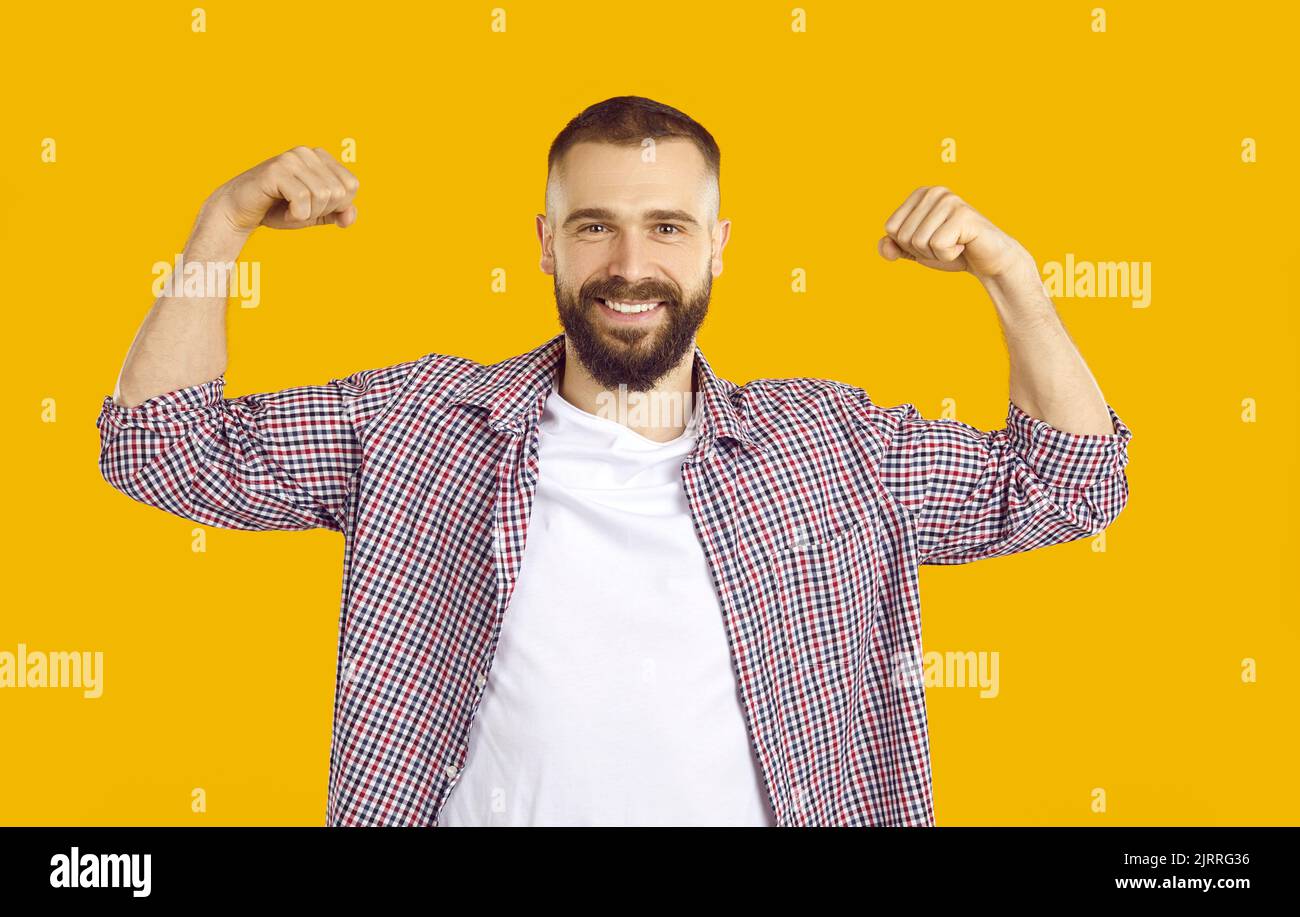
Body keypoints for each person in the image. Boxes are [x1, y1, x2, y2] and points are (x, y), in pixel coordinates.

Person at [97, 95, 1133, 826]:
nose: (629, 267)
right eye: (595, 227)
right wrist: (221, 225)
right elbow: (160, 449)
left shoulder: (830, 449)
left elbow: (1072, 486)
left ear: (718, 245)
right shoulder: (418, 424)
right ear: (545, 242)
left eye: (666, 227)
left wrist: (1013, 278)